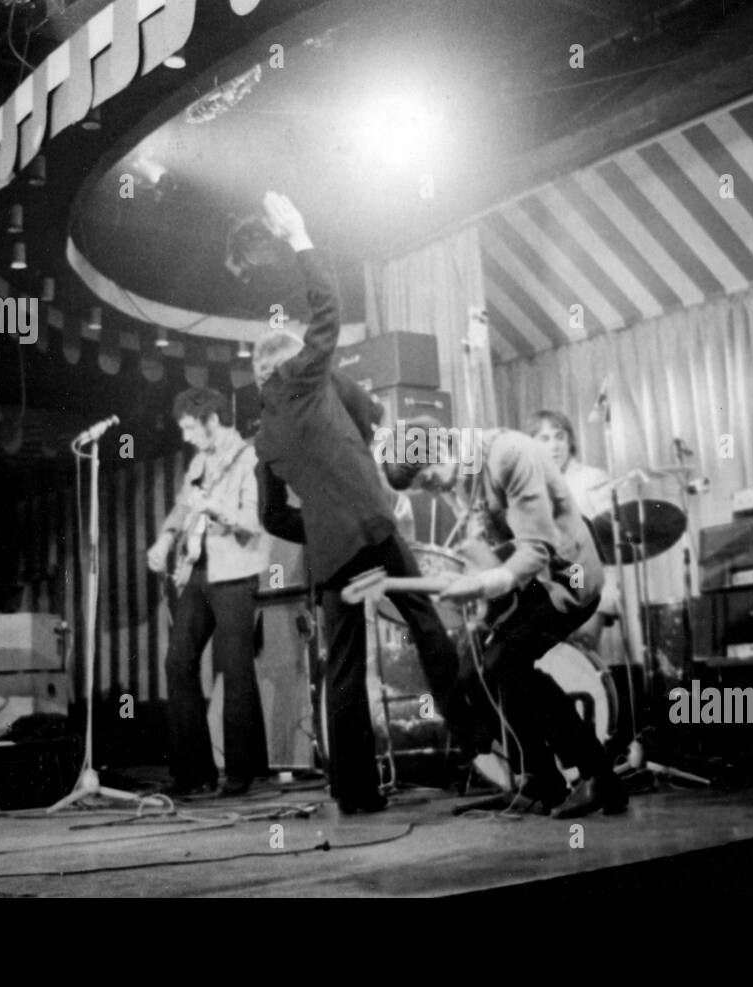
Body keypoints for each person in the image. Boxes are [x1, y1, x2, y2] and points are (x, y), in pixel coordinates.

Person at [252, 191, 462, 815]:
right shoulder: (303, 376)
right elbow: (327, 308)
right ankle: (477, 742)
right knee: (426, 624)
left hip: (331, 553)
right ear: (286, 365)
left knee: (342, 668)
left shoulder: (264, 435)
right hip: (372, 528)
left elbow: (269, 516)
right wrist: (299, 235)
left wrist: (316, 526)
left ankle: (354, 791)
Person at [388, 423, 629, 818]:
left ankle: (599, 776)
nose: (434, 489)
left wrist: (483, 582)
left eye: (429, 478)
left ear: (442, 447)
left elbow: (537, 548)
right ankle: (539, 780)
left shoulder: (511, 455)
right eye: (423, 487)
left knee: (506, 661)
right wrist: (474, 574)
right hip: (529, 580)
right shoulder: (458, 474)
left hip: (568, 575)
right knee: (469, 673)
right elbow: (496, 545)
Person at [146, 388, 270, 797]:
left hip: (235, 571)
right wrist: (164, 540)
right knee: (177, 662)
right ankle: (193, 772)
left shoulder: (249, 458)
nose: (185, 436)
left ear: (212, 420)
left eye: (189, 427)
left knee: (234, 668)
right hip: (197, 571)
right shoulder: (199, 461)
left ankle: (240, 772)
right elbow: (183, 508)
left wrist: (216, 509)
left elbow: (254, 522)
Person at [528, 410, 618, 652]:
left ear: (570, 441)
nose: (554, 446)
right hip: (549, 592)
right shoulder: (530, 487)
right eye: (544, 439)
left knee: (582, 660)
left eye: (560, 437)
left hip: (589, 583)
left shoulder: (593, 478)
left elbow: (611, 543)